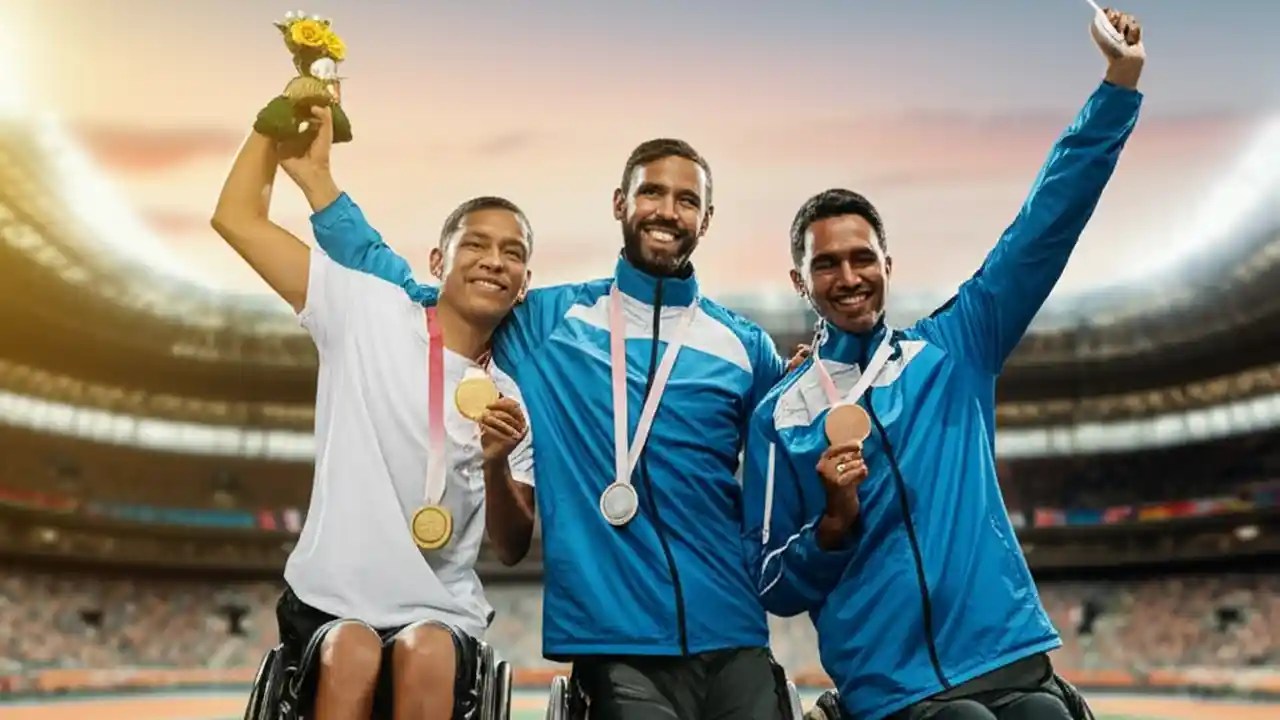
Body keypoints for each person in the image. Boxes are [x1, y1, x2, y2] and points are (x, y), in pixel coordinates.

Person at [740, 9, 1146, 720]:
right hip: (896, 689)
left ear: (888, 265)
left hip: (1008, 654)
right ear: (801, 282)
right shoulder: (781, 414)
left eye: (862, 257)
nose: (849, 276)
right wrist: (833, 524)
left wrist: (1118, 84)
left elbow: (1044, 224)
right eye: (825, 264)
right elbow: (774, 582)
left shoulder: (954, 349)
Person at [305, 140, 795, 718]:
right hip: (614, 638)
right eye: (651, 192)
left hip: (732, 627)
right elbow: (438, 296)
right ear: (620, 202)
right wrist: (320, 188)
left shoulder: (746, 346)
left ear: (705, 219)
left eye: (687, 200)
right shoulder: (546, 322)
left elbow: (785, 469)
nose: (668, 210)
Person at [211, 105, 537, 720]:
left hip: (440, 613)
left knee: (426, 649)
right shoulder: (365, 310)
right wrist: (267, 130)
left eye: (513, 252)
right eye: (476, 243)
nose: (495, 259)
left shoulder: (514, 399)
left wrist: (496, 465)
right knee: (352, 648)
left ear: (524, 283)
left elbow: (512, 545)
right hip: (330, 600)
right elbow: (237, 219)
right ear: (438, 262)